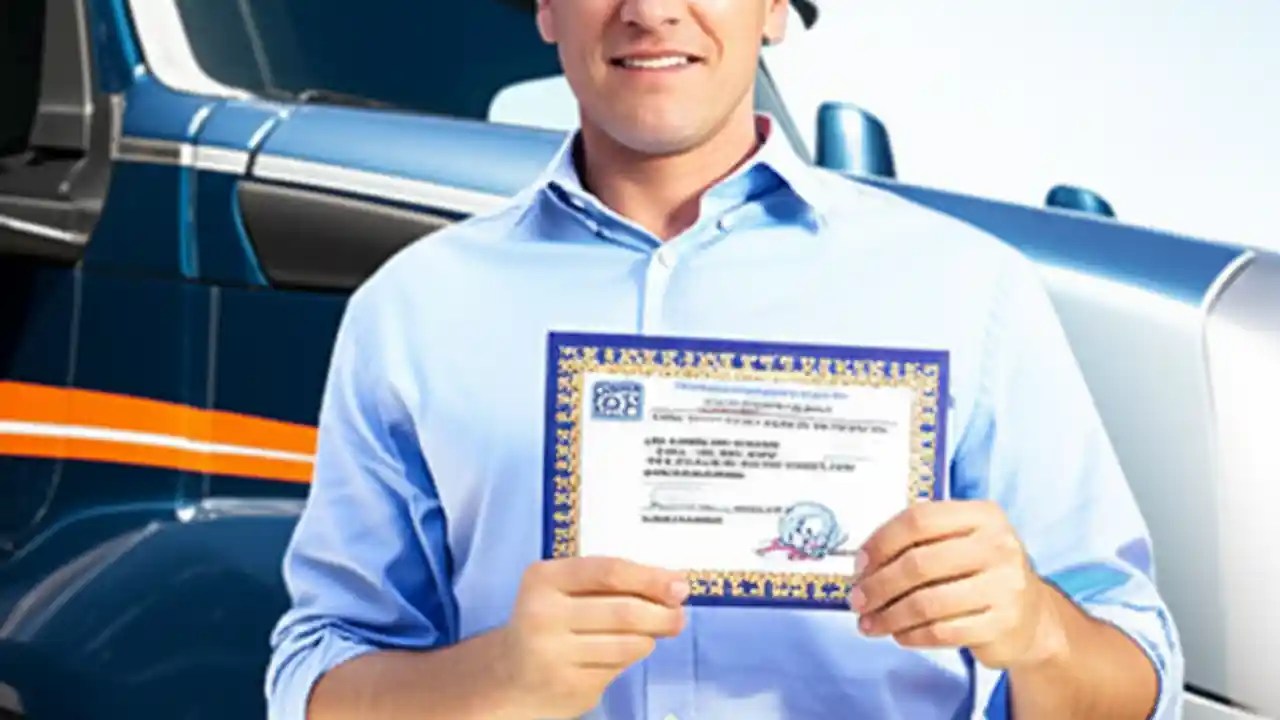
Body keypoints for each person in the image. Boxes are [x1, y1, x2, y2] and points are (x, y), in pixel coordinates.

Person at [265, 1, 1182, 718]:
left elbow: (1141, 679)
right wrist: (496, 678)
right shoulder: (413, 310)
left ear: (775, 6)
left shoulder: (969, 290)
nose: (651, 9)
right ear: (545, 6)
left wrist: (1038, 631)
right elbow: (315, 674)